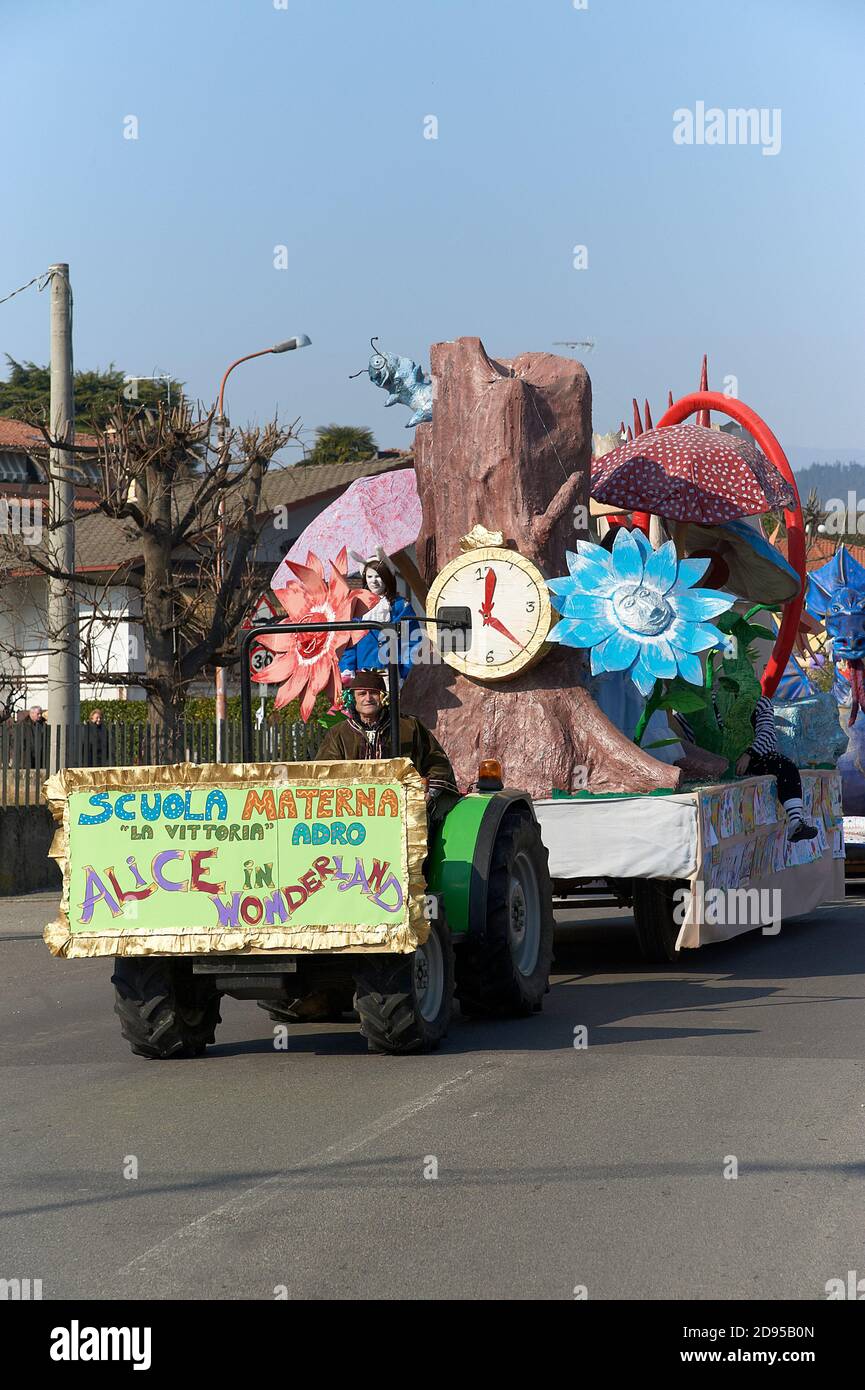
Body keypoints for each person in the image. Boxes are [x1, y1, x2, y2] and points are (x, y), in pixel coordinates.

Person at [316, 669, 460, 827]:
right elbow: (324, 772)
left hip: (404, 812)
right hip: (352, 817)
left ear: (383, 697)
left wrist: (429, 794)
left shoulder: (409, 726)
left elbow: (437, 762)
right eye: (362, 694)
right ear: (352, 699)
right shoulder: (339, 733)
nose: (368, 698)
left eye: (374, 693)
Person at [735, 696, 818, 842]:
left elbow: (767, 734)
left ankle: (796, 821)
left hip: (753, 757)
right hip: (722, 759)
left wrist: (749, 753)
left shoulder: (759, 702)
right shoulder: (714, 699)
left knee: (785, 766)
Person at [339, 557, 420, 685]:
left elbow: (411, 642)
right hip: (363, 674)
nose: (374, 581)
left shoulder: (401, 606)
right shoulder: (356, 606)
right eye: (370, 576)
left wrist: (406, 672)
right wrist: (348, 668)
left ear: (387, 578)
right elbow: (349, 643)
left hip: (393, 674)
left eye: (378, 576)